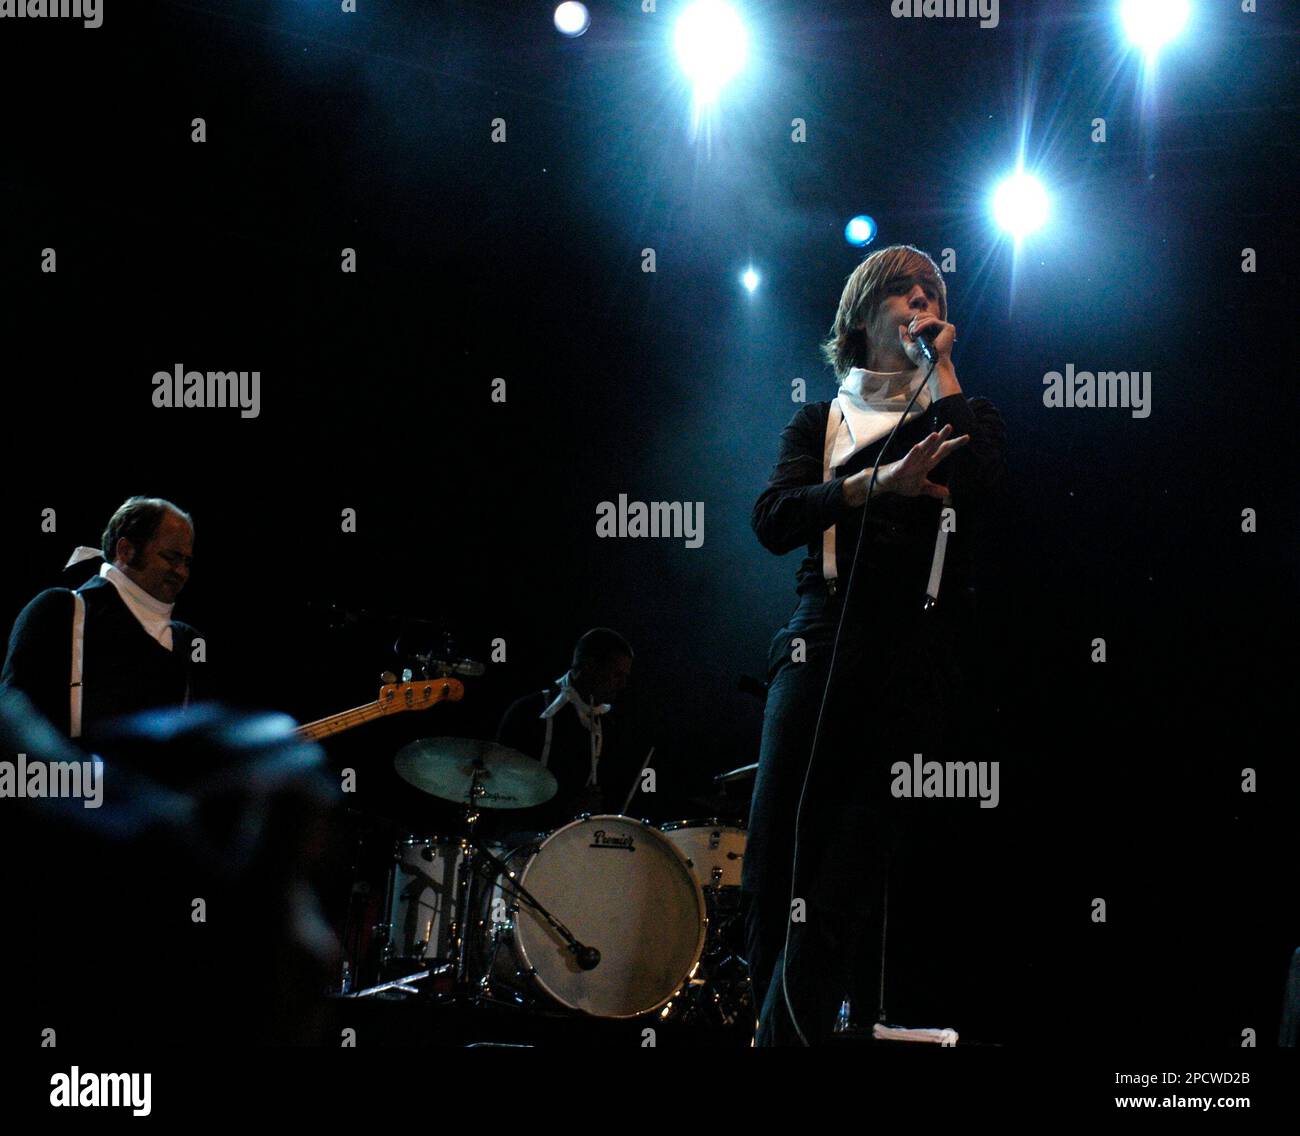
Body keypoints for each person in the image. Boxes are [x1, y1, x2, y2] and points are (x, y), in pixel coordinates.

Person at [742, 245, 1008, 1045]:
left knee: (845, 880)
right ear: (861, 315)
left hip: (912, 656)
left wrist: (946, 371)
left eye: (933, 290)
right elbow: (773, 519)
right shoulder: (819, 421)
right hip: (817, 643)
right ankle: (776, 1035)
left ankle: (781, 1046)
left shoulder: (959, 416)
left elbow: (987, 484)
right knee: (772, 869)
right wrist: (872, 487)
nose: (923, 299)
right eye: (903, 289)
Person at [1, 496, 202, 741]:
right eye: (171, 557)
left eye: (187, 562)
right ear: (126, 550)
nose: (181, 572)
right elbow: (14, 722)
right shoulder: (59, 610)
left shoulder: (187, 640)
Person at [495, 627, 643, 832]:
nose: (622, 684)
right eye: (617, 675)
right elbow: (499, 792)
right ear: (590, 666)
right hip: (521, 843)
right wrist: (563, 811)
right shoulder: (528, 713)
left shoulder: (611, 727)